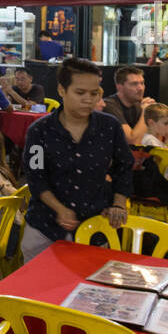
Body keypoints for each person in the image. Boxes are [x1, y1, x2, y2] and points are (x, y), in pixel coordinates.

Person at [21, 57, 134, 263]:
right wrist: (59, 209)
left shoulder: (110, 127)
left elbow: (124, 166)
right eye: (80, 93)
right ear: (62, 90)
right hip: (44, 227)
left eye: (94, 93)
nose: (88, 100)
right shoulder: (39, 131)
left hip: (95, 225)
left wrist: (119, 204)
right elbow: (35, 178)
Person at [103, 65, 157, 144]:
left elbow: (158, 137)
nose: (140, 88)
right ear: (120, 87)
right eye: (134, 84)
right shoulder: (109, 106)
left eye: (142, 83)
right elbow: (132, 141)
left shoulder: (139, 105)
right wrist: (146, 112)